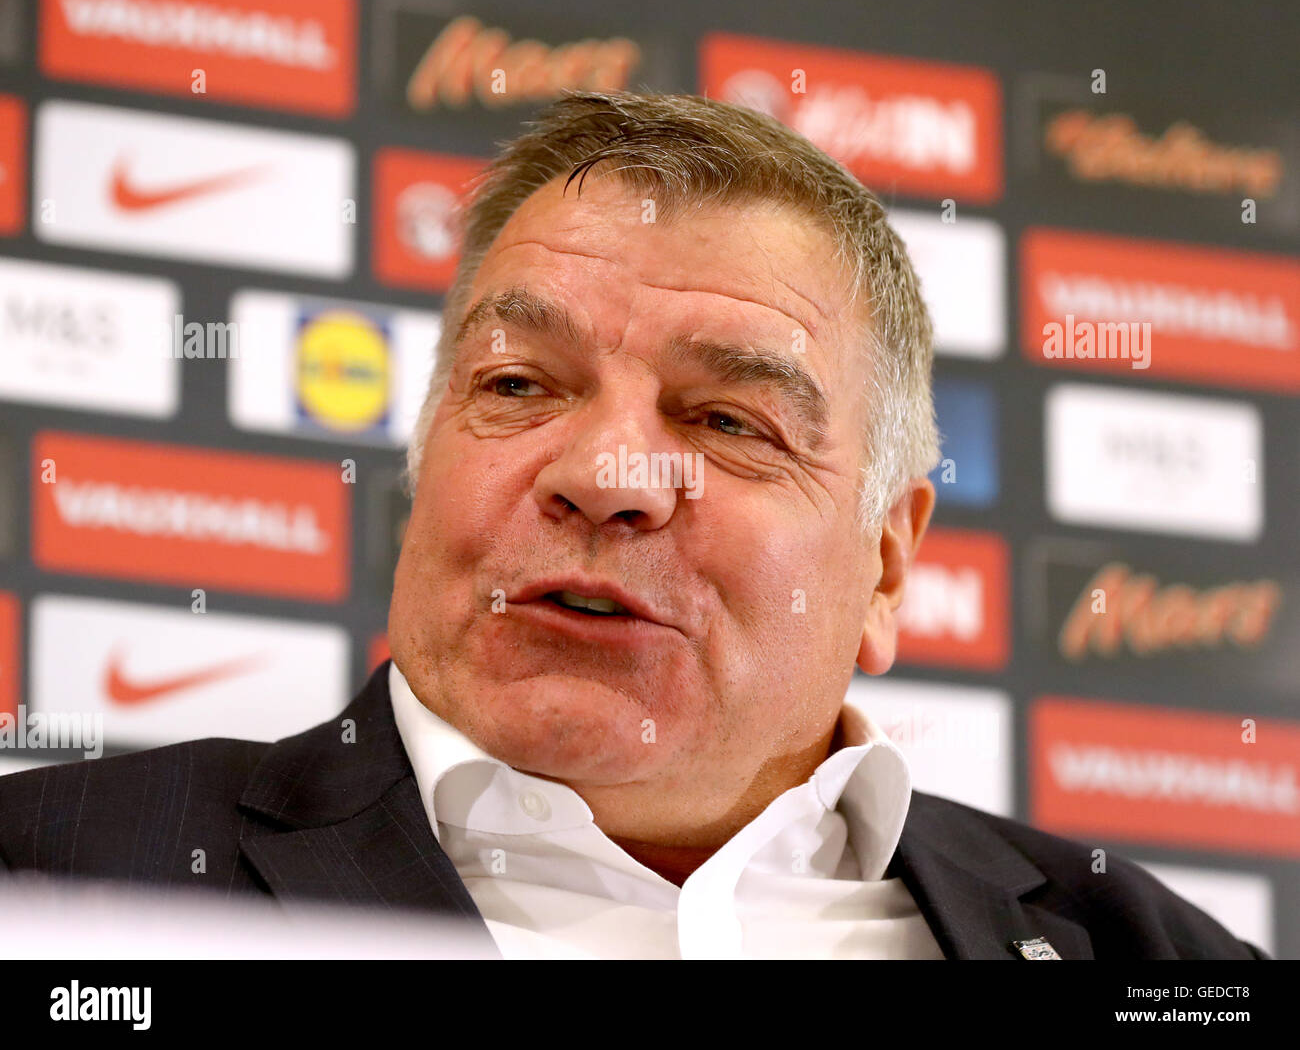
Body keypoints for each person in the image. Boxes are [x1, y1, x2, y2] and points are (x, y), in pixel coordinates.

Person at [0, 91, 1268, 960]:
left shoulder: (1145, 953)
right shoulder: (58, 883)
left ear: (887, 564)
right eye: (516, 386)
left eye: (726, 421)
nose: (605, 476)